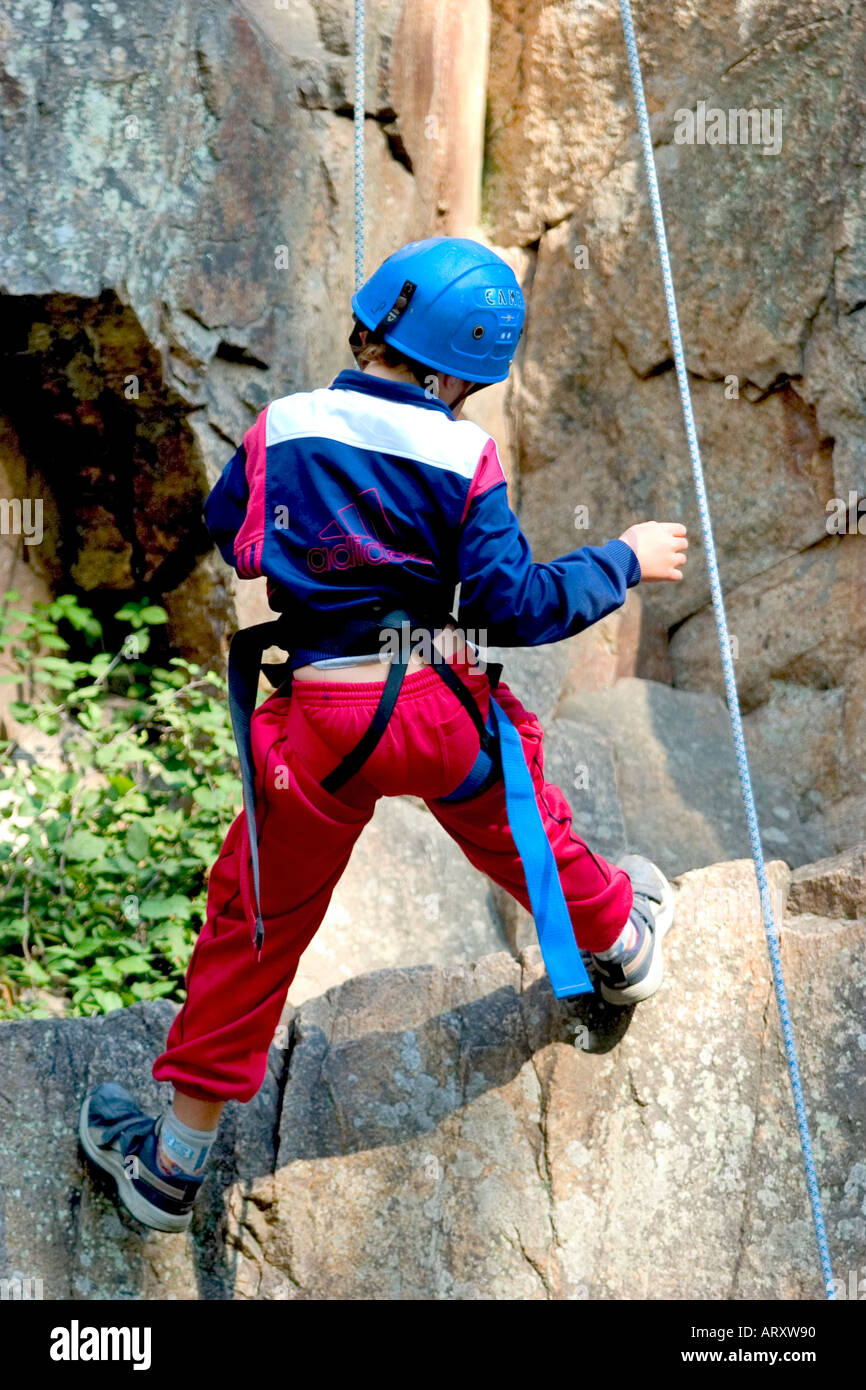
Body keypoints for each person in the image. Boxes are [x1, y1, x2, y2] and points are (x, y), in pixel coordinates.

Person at [79, 237, 688, 1233]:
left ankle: (168, 1169)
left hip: (321, 716)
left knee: (257, 917)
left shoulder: (282, 425)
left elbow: (234, 528)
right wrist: (617, 558)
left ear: (369, 324)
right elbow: (513, 605)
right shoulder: (463, 453)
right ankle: (620, 944)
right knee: (523, 825)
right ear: (457, 371)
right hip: (435, 704)